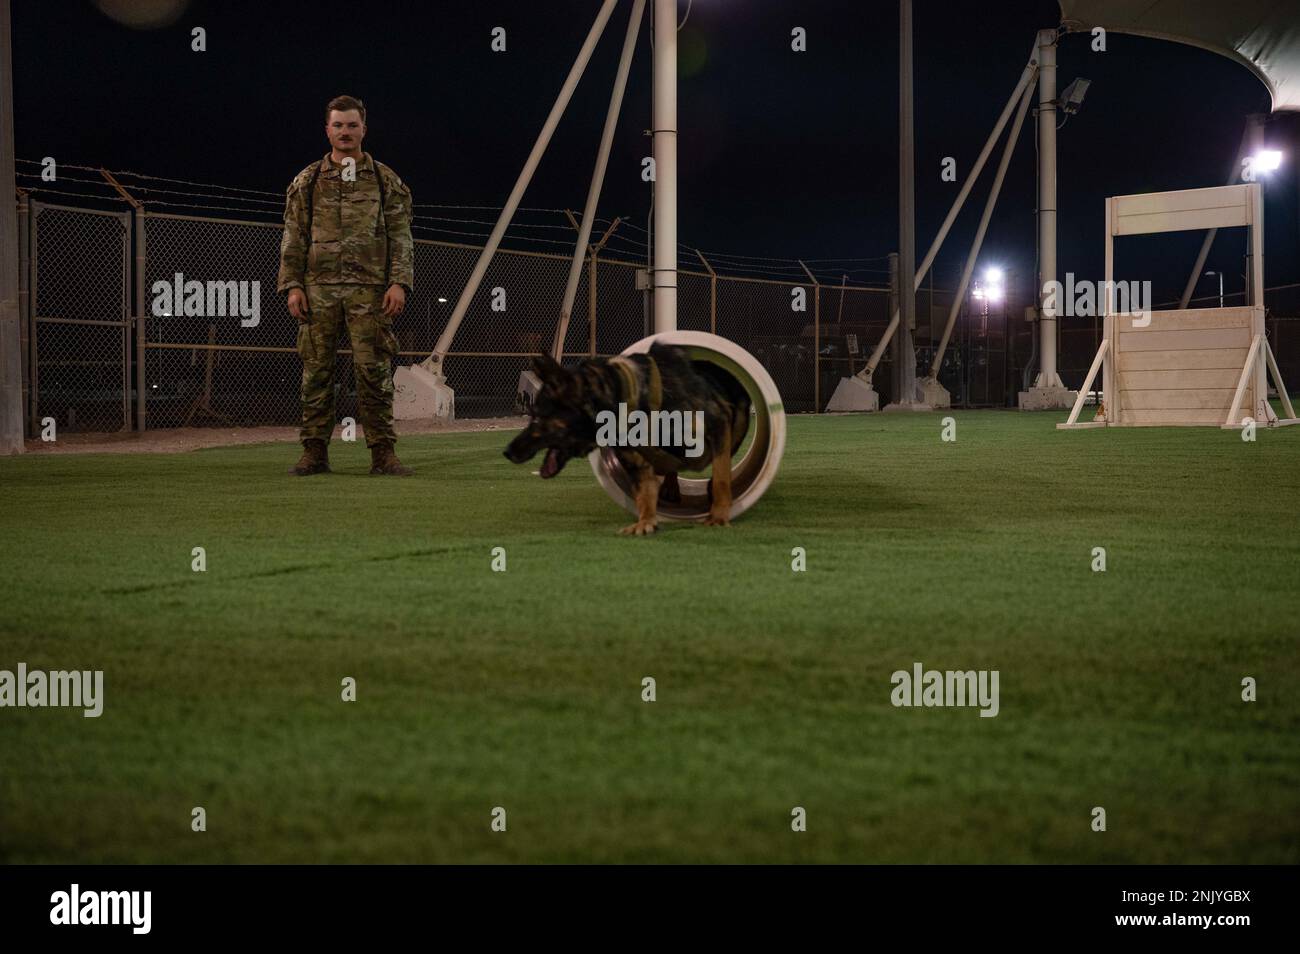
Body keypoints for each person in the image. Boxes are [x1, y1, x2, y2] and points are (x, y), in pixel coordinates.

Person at [277, 94, 415, 476]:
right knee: (316, 372)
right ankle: (314, 453)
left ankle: (383, 455)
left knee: (373, 372)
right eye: (338, 125)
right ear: (327, 130)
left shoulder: (386, 180)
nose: (345, 132)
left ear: (363, 130)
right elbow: (293, 236)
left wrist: (399, 282)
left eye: (352, 125)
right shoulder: (307, 181)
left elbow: (401, 235)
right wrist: (292, 286)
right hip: (317, 290)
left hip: (370, 291)